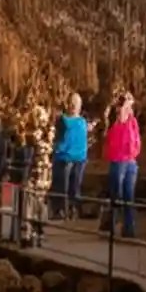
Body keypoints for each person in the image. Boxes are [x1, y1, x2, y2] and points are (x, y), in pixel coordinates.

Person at [104, 92, 141, 238]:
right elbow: (113, 138)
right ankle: (111, 225)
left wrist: (134, 153)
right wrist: (121, 109)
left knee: (129, 197)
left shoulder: (133, 122)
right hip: (118, 160)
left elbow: (136, 139)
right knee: (116, 195)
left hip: (130, 161)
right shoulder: (115, 121)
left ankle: (129, 228)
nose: (128, 108)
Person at [50, 92, 88, 220]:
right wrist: (58, 150)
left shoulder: (82, 121)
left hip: (79, 159)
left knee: (75, 186)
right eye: (72, 102)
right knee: (62, 186)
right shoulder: (62, 120)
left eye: (76, 103)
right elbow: (58, 138)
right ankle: (60, 210)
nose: (73, 105)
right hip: (64, 157)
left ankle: (73, 209)